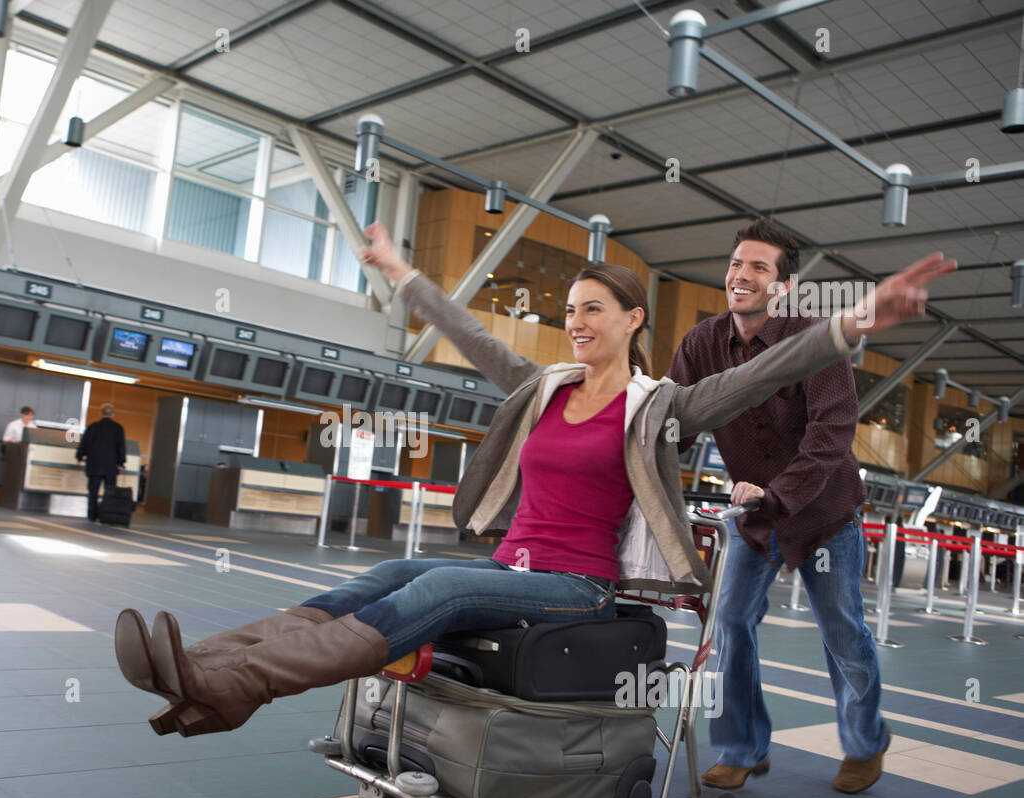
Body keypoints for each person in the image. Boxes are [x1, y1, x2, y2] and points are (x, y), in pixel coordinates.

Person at [112, 220, 954, 739]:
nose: (575, 322)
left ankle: (231, 685)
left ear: (632, 322)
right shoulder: (543, 388)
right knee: (388, 574)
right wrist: (403, 276)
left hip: (579, 586)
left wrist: (856, 320)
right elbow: (470, 333)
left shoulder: (660, 405)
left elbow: (766, 375)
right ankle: (202, 665)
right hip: (517, 568)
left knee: (431, 590)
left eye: (594, 308)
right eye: (569, 310)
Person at [667, 218, 888, 794]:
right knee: (731, 624)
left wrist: (778, 493)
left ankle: (865, 743)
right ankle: (743, 747)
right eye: (738, 264)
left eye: (758, 267)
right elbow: (676, 422)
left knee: (843, 633)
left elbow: (831, 434)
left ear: (783, 286)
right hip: (753, 522)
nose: (742, 275)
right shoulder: (702, 343)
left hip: (824, 514)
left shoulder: (814, 342)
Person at [76, 404, 127, 522]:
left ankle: (92, 515)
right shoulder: (118, 428)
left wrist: (79, 456)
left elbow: (84, 444)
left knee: (93, 491)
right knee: (109, 491)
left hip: (94, 465)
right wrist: (121, 462)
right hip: (110, 466)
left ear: (100, 413)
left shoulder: (92, 427)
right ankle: (106, 515)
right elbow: (121, 447)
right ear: (113, 414)